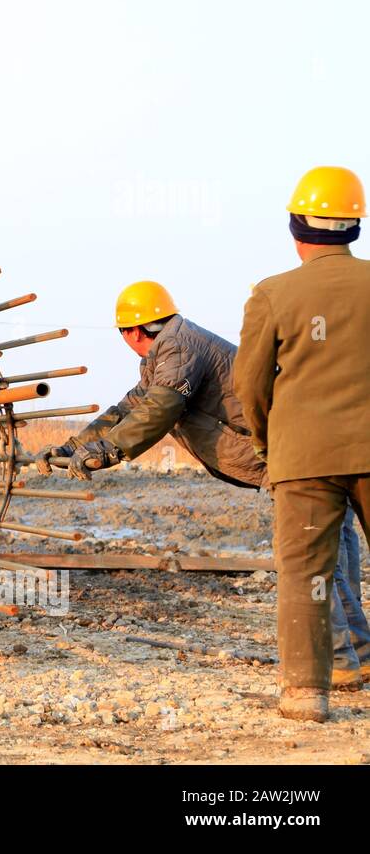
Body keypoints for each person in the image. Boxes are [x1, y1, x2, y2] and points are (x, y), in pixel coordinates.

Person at [33, 278, 369, 697]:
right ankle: (355, 653)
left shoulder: (179, 348)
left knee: (315, 559)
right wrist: (74, 445)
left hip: (297, 457)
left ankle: (339, 663)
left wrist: (110, 452)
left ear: (132, 332)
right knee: (334, 552)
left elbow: (161, 408)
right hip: (301, 452)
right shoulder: (171, 350)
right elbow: (128, 408)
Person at [236, 165, 370, 722]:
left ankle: (306, 694)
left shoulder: (272, 295)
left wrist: (274, 444)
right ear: (355, 227)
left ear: (296, 227)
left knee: (305, 576)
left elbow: (250, 384)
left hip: (303, 459)